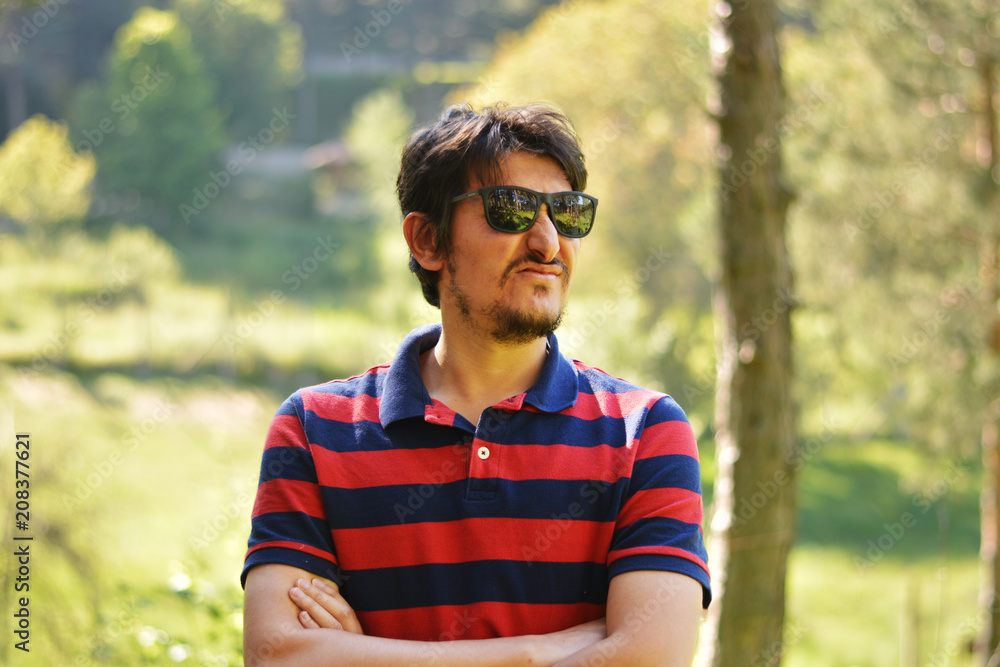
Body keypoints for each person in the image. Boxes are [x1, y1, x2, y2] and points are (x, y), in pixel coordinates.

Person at [241, 103, 710, 666]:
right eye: (511, 210)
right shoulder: (314, 431)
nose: (548, 242)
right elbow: (277, 656)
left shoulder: (646, 433)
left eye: (567, 213)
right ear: (427, 241)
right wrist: (540, 653)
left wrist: (360, 655)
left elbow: (650, 661)